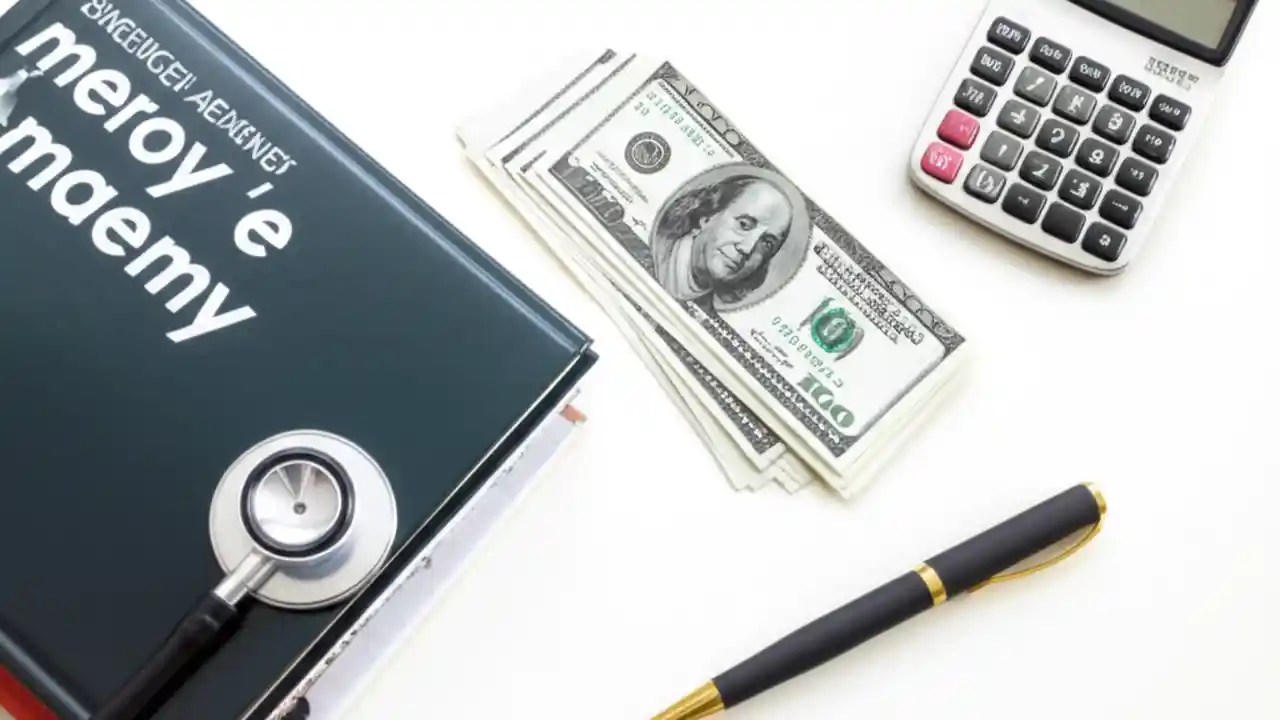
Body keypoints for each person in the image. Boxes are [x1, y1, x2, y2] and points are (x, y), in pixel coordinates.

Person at [653, 175, 796, 309]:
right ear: (707, 217)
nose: (747, 248)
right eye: (744, 225)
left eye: (767, 244)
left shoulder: (706, 316)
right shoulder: (650, 249)